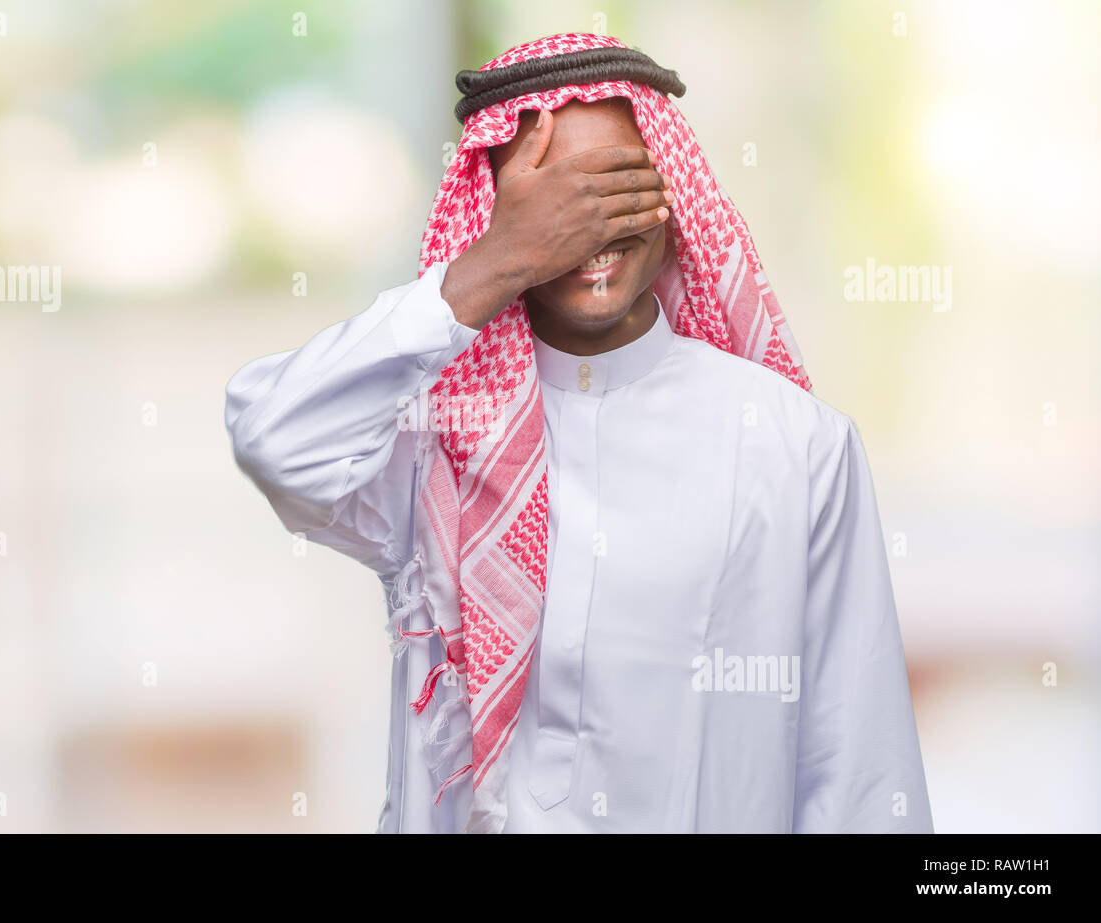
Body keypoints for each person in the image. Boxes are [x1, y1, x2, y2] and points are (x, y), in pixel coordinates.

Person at [225, 32, 933, 833]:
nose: (586, 226)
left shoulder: (793, 444)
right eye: (550, 203)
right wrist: (497, 264)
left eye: (615, 190)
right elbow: (275, 437)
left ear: (675, 204)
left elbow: (862, 775)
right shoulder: (432, 442)